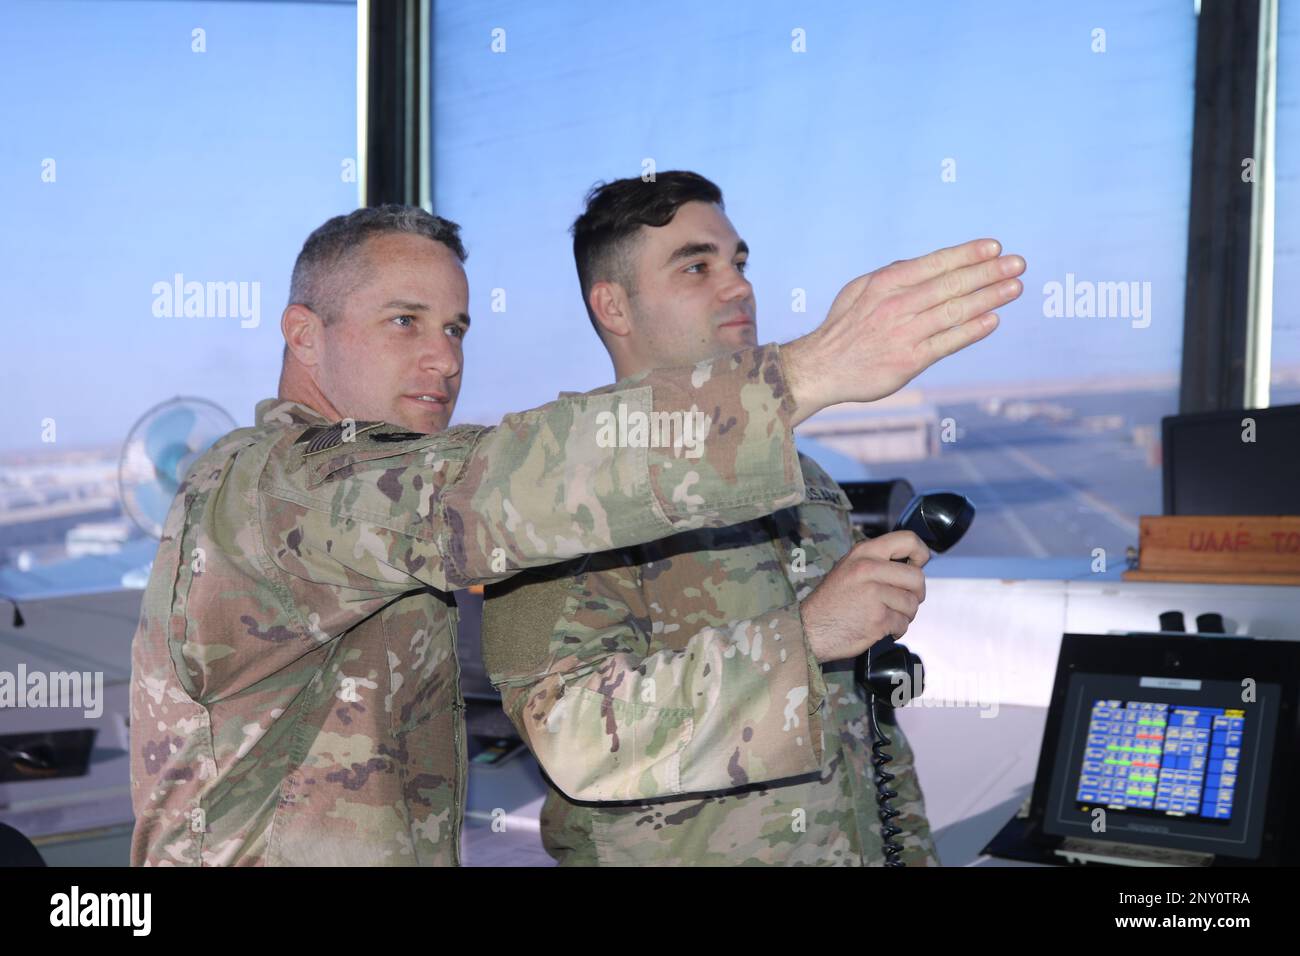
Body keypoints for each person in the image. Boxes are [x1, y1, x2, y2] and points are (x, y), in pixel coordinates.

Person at [129, 202, 1009, 866]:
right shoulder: (280, 482)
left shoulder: (375, 494)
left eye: (457, 328)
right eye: (405, 321)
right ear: (303, 336)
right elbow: (498, 485)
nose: (444, 357)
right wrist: (806, 373)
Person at [480, 172, 1026, 865]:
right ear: (614, 306)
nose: (737, 285)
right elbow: (575, 736)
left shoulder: (805, 482)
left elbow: (868, 739)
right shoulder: (556, 499)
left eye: (738, 262)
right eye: (696, 266)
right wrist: (808, 636)